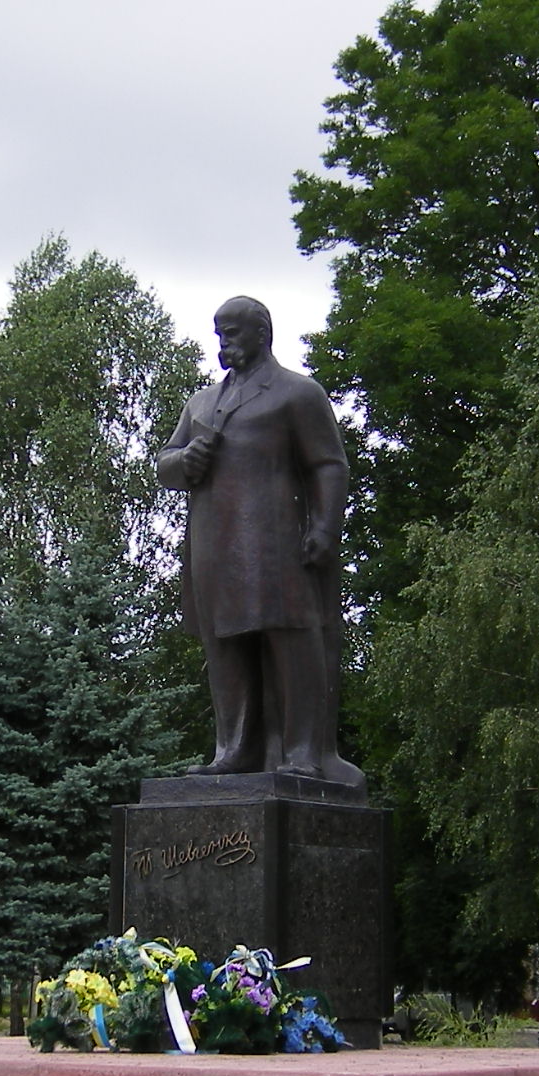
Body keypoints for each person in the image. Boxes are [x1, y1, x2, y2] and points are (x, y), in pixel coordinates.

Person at [155, 296, 364, 790]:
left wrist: (325, 528)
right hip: (214, 543)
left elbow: (328, 465)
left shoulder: (296, 393)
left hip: (274, 539)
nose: (223, 342)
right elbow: (166, 463)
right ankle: (233, 748)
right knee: (225, 645)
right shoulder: (201, 402)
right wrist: (188, 459)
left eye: (232, 331)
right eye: (218, 332)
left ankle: (302, 752)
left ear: (262, 333)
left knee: (292, 638)